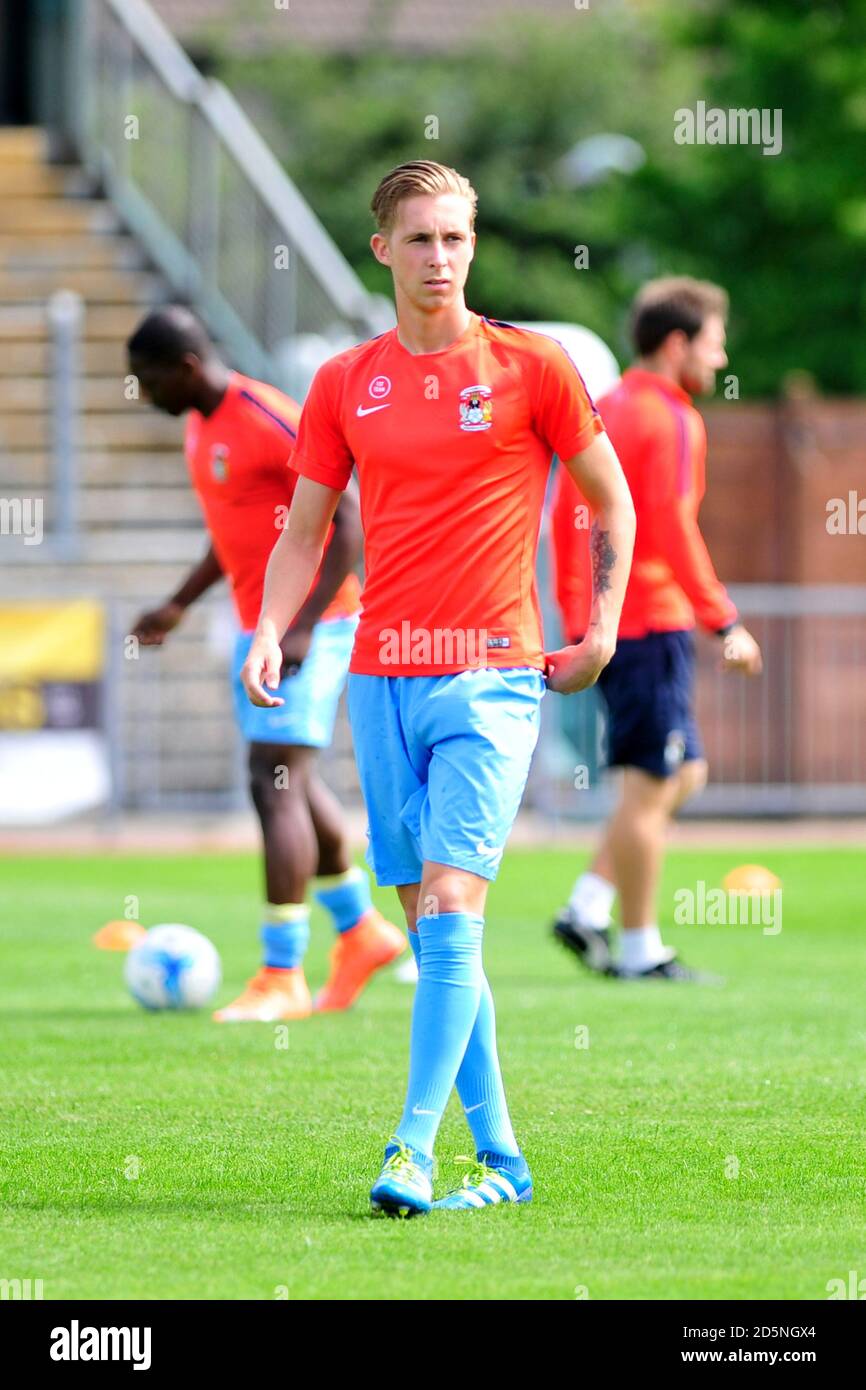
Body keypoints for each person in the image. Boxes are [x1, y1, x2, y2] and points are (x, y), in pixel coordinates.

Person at [241, 161, 635, 1215]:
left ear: (472, 243)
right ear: (383, 249)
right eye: (418, 239)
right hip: (378, 679)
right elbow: (303, 529)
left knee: (455, 911)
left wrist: (598, 627)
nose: (439, 257)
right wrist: (272, 631)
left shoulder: (532, 365)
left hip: (492, 677)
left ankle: (410, 1148)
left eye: (454, 238)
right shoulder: (342, 383)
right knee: (429, 929)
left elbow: (610, 499)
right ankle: (501, 1162)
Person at [127, 306, 406, 1022]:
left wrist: (303, 626)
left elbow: (344, 517)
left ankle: (282, 972)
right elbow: (235, 534)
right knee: (290, 777)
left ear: (184, 369)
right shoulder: (202, 429)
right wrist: (178, 605)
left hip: (317, 623)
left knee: (270, 778)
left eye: (147, 379)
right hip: (262, 628)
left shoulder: (265, 416)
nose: (143, 393)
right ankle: (361, 930)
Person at [550, 277, 762, 981]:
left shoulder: (604, 407)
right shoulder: (670, 416)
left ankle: (587, 904)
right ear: (677, 346)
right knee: (648, 786)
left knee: (684, 774)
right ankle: (640, 950)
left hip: (621, 626)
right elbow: (670, 525)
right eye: (714, 343)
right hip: (649, 625)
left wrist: (582, 614)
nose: (721, 361)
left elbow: (564, 518)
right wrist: (723, 618)